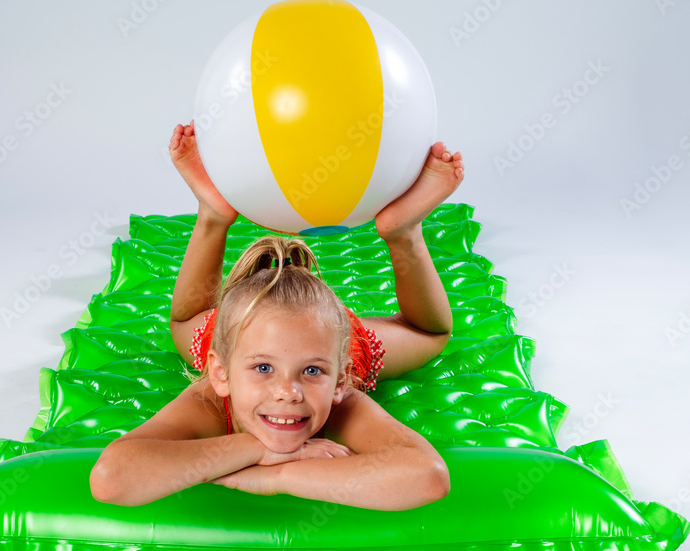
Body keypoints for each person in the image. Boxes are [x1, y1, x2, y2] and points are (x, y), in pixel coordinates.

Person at [89, 120, 465, 511]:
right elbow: (112, 478)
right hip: (229, 332)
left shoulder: (343, 397)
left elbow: (428, 477)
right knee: (188, 327)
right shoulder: (210, 398)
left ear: (341, 380)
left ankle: (404, 232)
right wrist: (256, 447)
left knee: (431, 334)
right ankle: (213, 214)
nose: (289, 392)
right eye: (264, 369)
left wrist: (275, 477)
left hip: (337, 338)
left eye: (313, 372)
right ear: (220, 374)